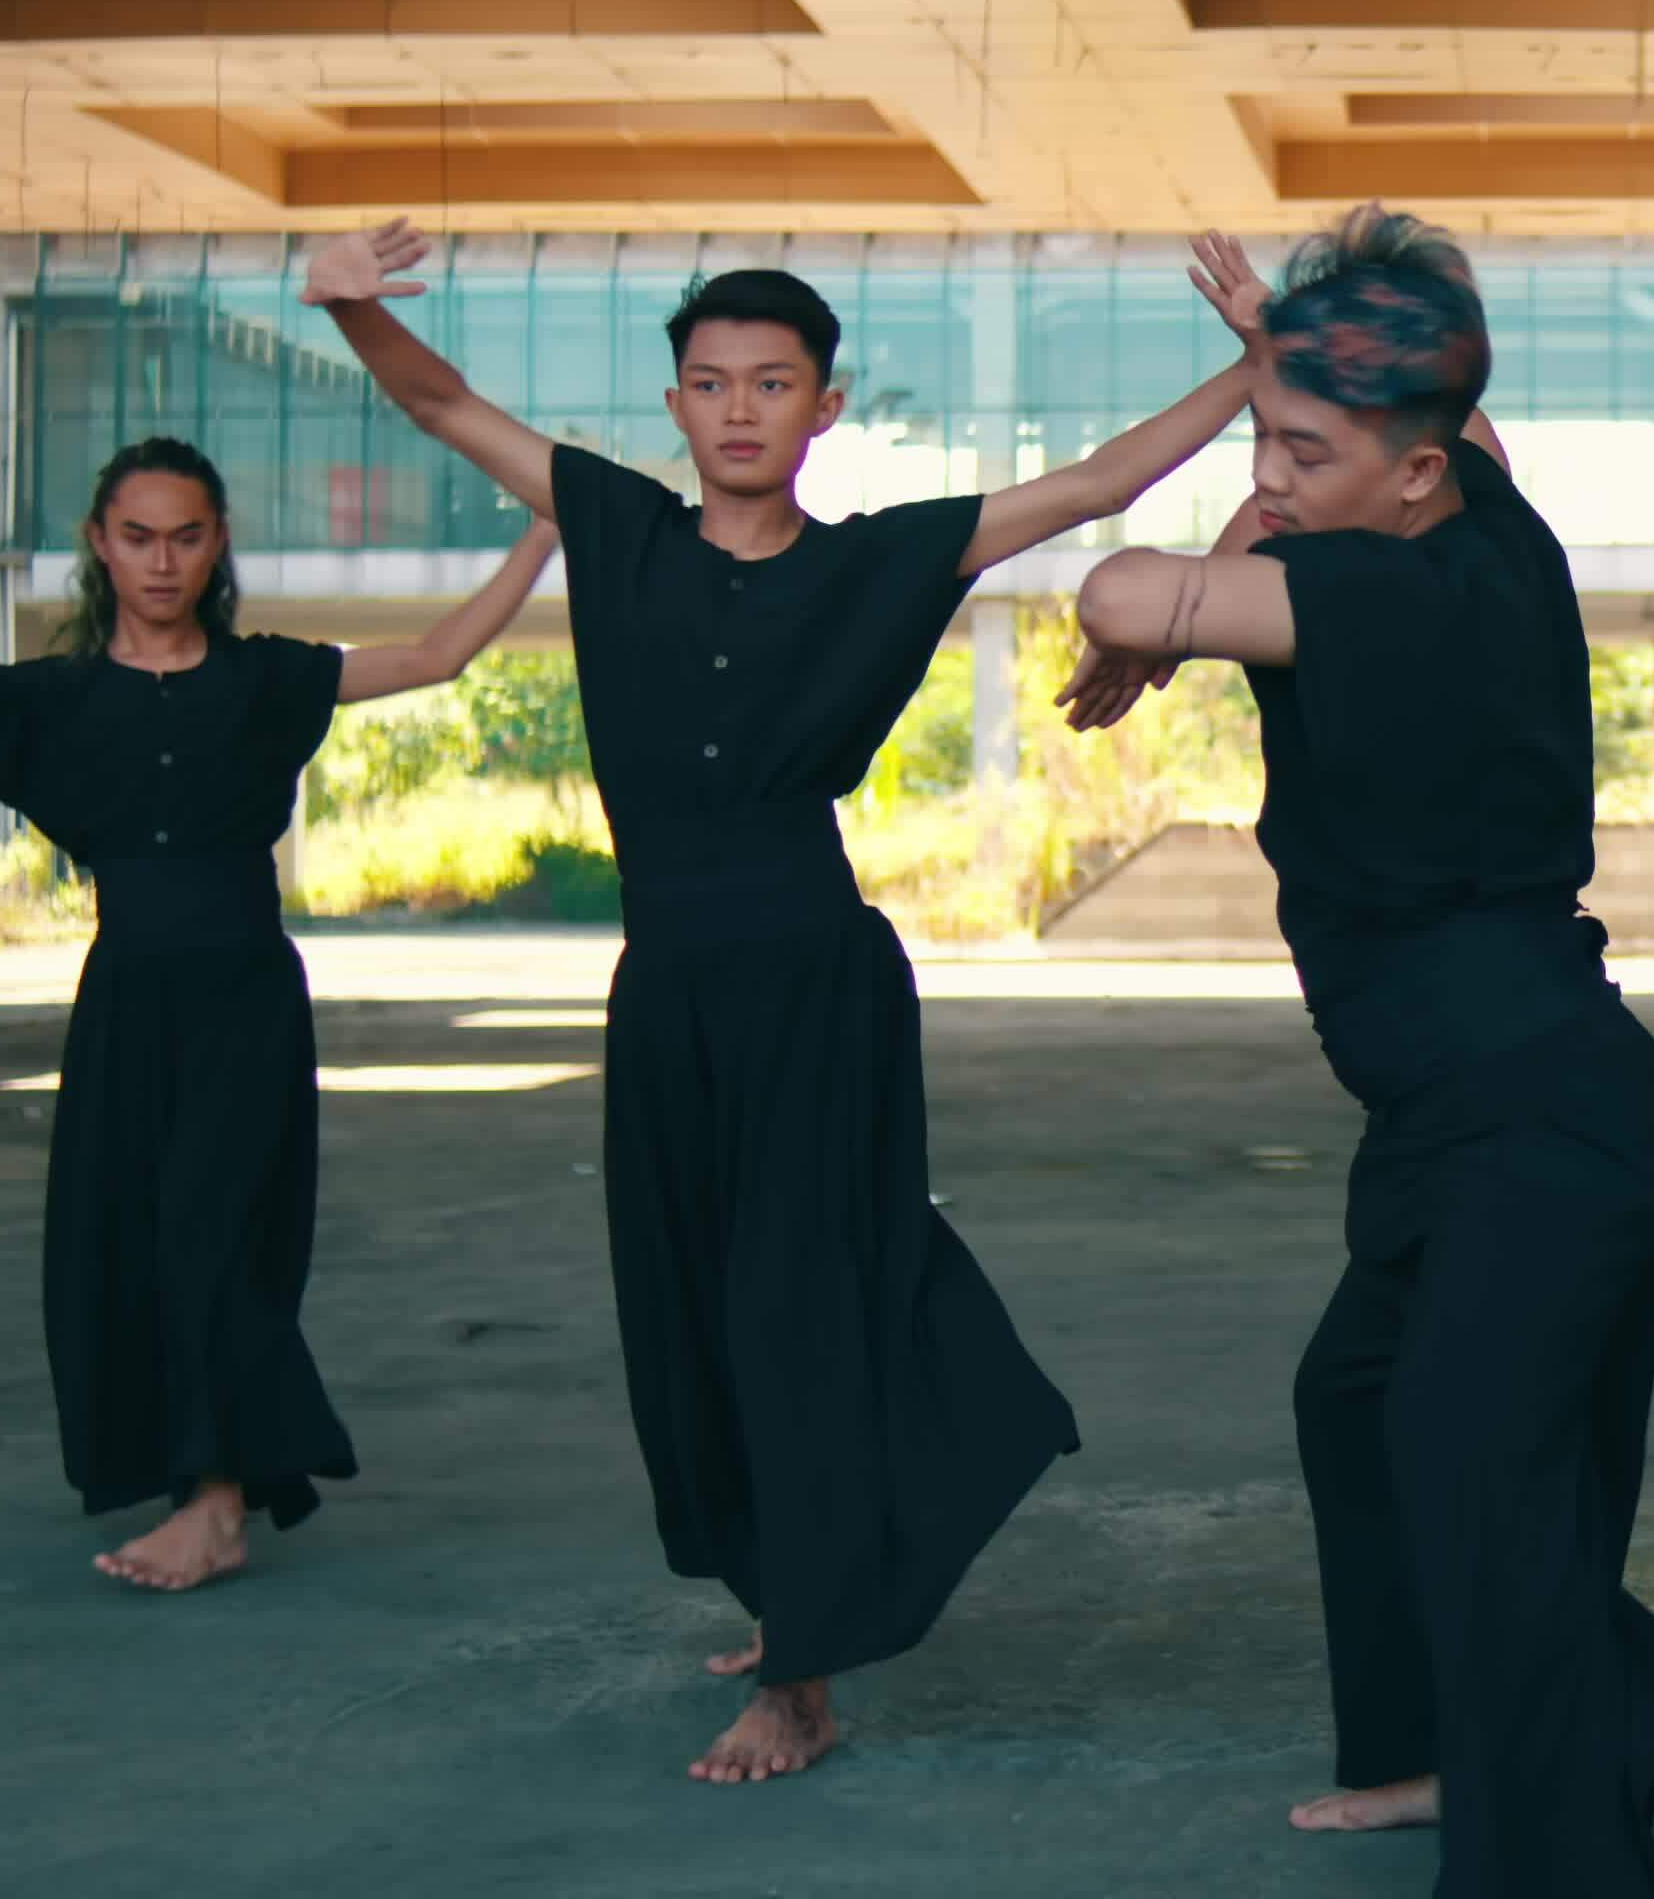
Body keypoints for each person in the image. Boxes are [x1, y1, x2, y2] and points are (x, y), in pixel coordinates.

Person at [306, 220, 1257, 1784]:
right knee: (690, 1309)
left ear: (823, 407)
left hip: (811, 983)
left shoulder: (882, 555)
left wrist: (1254, 364)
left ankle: (803, 1675)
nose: (738, 409)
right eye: (707, 383)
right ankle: (796, 1583)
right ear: (675, 406)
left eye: (771, 382)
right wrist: (344, 300)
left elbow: (1094, 488)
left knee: (794, 1308)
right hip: (666, 987)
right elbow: (438, 400)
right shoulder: (612, 528)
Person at [1064, 210, 1654, 1896]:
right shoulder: (1484, 514)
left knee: (1467, 1452)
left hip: (1538, 1114)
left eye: (1303, 445)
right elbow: (1381, 458)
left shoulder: (1384, 594)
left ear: (1415, 472)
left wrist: (1139, 628)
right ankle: (1439, 1753)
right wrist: (1284, 374)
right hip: (1475, 1110)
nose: (1271, 473)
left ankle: (1565, 1831)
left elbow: (1115, 578)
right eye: (1263, 440)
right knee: (1361, 1402)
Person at [0, 445, 555, 1592]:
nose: (163, 560)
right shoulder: (48, 701)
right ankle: (206, 1483)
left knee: (213, 1237)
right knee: (128, 1248)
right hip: (125, 1007)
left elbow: (439, 656)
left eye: (186, 536)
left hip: (244, 998)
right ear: (100, 543)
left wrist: (549, 528)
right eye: (138, 536)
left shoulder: (265, 682)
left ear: (218, 542)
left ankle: (214, 1504)